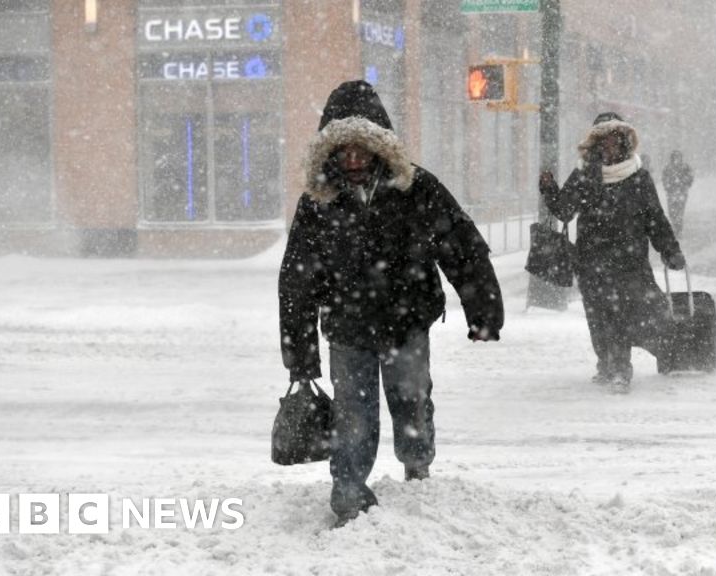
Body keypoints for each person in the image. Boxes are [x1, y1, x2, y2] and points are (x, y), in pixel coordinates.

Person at [278, 80, 504, 526]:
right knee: (353, 416)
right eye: (345, 151)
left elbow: (462, 247)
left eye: (363, 150)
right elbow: (297, 283)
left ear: (381, 148)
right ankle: (347, 494)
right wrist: (300, 358)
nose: (355, 160)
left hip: (407, 323)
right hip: (348, 328)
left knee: (412, 400)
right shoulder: (318, 204)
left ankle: (417, 466)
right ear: (331, 154)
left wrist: (484, 312)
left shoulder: (417, 188)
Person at [539, 112, 685, 386]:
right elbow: (565, 211)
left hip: (630, 260)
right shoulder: (584, 175)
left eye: (614, 140)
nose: (608, 146)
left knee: (624, 312)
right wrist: (549, 191)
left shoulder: (639, 177)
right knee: (597, 315)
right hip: (592, 260)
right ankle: (607, 363)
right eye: (603, 141)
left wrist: (670, 250)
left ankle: (620, 366)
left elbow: (654, 218)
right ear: (595, 144)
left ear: (623, 143)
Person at [661, 149, 694, 235]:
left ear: (681, 158)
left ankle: (678, 229)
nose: (676, 159)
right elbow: (664, 179)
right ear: (672, 158)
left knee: (679, 211)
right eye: (675, 157)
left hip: (682, 192)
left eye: (678, 157)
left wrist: (684, 182)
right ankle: (675, 226)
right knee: (672, 212)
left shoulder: (685, 167)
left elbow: (690, 177)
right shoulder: (667, 168)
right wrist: (667, 186)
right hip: (671, 193)